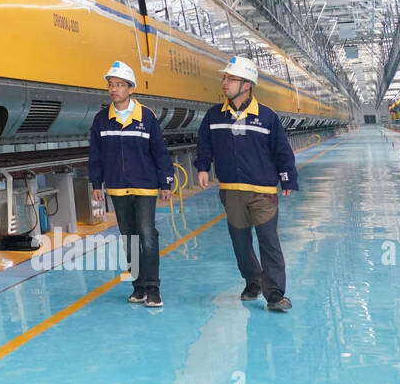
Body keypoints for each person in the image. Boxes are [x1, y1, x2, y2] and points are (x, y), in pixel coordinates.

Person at [194, 55, 298, 313]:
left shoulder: (266, 116)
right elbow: (204, 144)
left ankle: (274, 294)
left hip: (262, 192)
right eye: (225, 78)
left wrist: (288, 177)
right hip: (231, 191)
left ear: (247, 84)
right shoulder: (214, 116)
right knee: (240, 243)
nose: (224, 82)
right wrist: (203, 167)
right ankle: (253, 280)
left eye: (230, 78)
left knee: (268, 242)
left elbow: (282, 151)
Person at [88, 60, 174, 307]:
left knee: (147, 234)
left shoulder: (146, 117)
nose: (114, 89)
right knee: (129, 237)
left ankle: (153, 287)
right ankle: (138, 286)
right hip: (117, 186)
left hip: (145, 186)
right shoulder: (101, 119)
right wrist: (96, 183)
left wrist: (165, 182)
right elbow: (96, 154)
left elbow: (160, 152)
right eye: (111, 85)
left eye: (119, 85)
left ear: (131, 89)